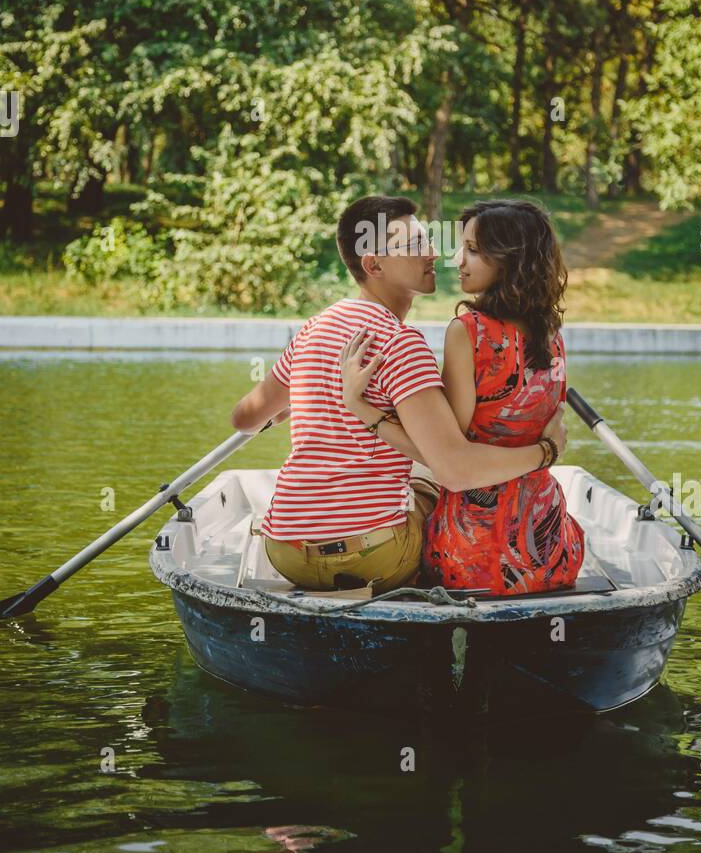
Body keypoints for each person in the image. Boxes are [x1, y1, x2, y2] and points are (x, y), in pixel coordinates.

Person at [230, 195, 565, 595]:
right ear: (373, 265)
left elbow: (244, 419)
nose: (433, 253)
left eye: (427, 239)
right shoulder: (402, 344)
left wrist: (291, 404)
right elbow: (454, 468)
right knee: (428, 475)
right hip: (375, 559)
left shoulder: (314, 329)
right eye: (414, 245)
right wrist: (546, 452)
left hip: (284, 549)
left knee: (423, 463)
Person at [341, 199, 583, 597]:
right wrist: (547, 450)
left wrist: (365, 411)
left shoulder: (468, 331)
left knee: (419, 481)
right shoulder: (551, 334)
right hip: (550, 550)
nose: (456, 260)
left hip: (473, 557)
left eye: (472, 250)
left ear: (509, 260)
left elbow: (445, 456)